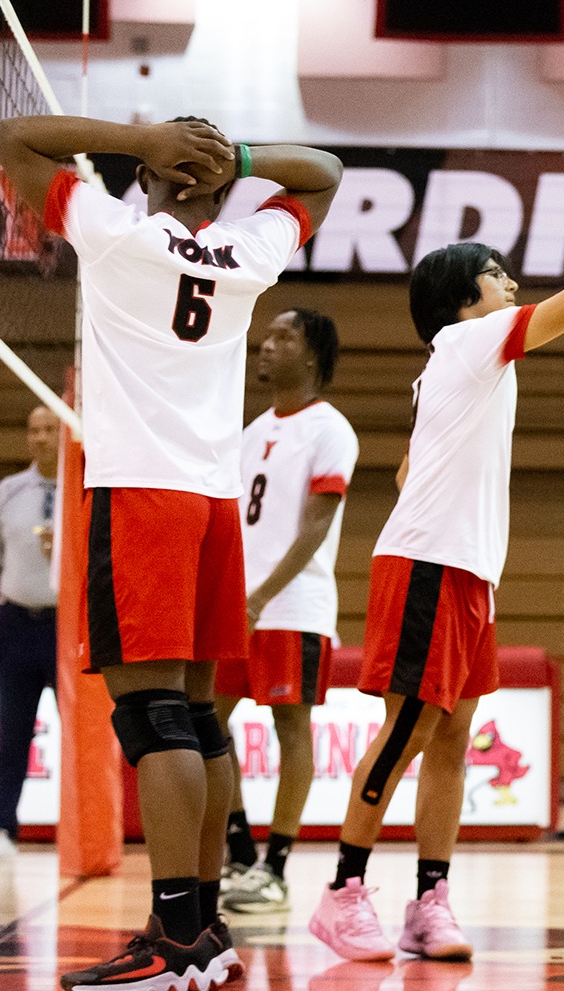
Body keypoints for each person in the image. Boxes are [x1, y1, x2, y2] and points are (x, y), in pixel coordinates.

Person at [0, 114, 340, 991]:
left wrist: (138, 136)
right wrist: (239, 160)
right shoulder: (250, 252)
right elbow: (327, 170)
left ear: (154, 177)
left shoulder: (114, 232)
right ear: (223, 191)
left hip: (141, 495)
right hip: (214, 501)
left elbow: (9, 136)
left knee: (152, 719)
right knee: (196, 713)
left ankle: (178, 935)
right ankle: (206, 923)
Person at [306, 145, 564, 964]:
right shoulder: (468, 344)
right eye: (498, 273)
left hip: (467, 570)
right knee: (407, 731)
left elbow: (410, 466)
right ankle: (342, 893)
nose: (512, 284)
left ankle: (428, 903)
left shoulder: (458, 368)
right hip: (428, 566)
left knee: (451, 741)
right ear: (462, 301)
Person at [213, 309, 358, 914]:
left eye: (282, 336)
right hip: (241, 607)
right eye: (265, 336)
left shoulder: (330, 430)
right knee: (204, 722)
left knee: (289, 729)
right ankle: (241, 850)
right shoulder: (251, 431)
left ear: (313, 355)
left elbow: (315, 528)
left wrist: (259, 595)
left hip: (292, 606)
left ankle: (275, 867)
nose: (264, 346)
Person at [0, 406, 62, 866]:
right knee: (12, 732)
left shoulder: (83, 492)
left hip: (68, 629)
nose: (41, 438)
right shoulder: (9, 492)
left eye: (50, 429)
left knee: (84, 735)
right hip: (16, 625)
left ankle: (84, 829)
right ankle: (1, 829)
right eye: (34, 430)